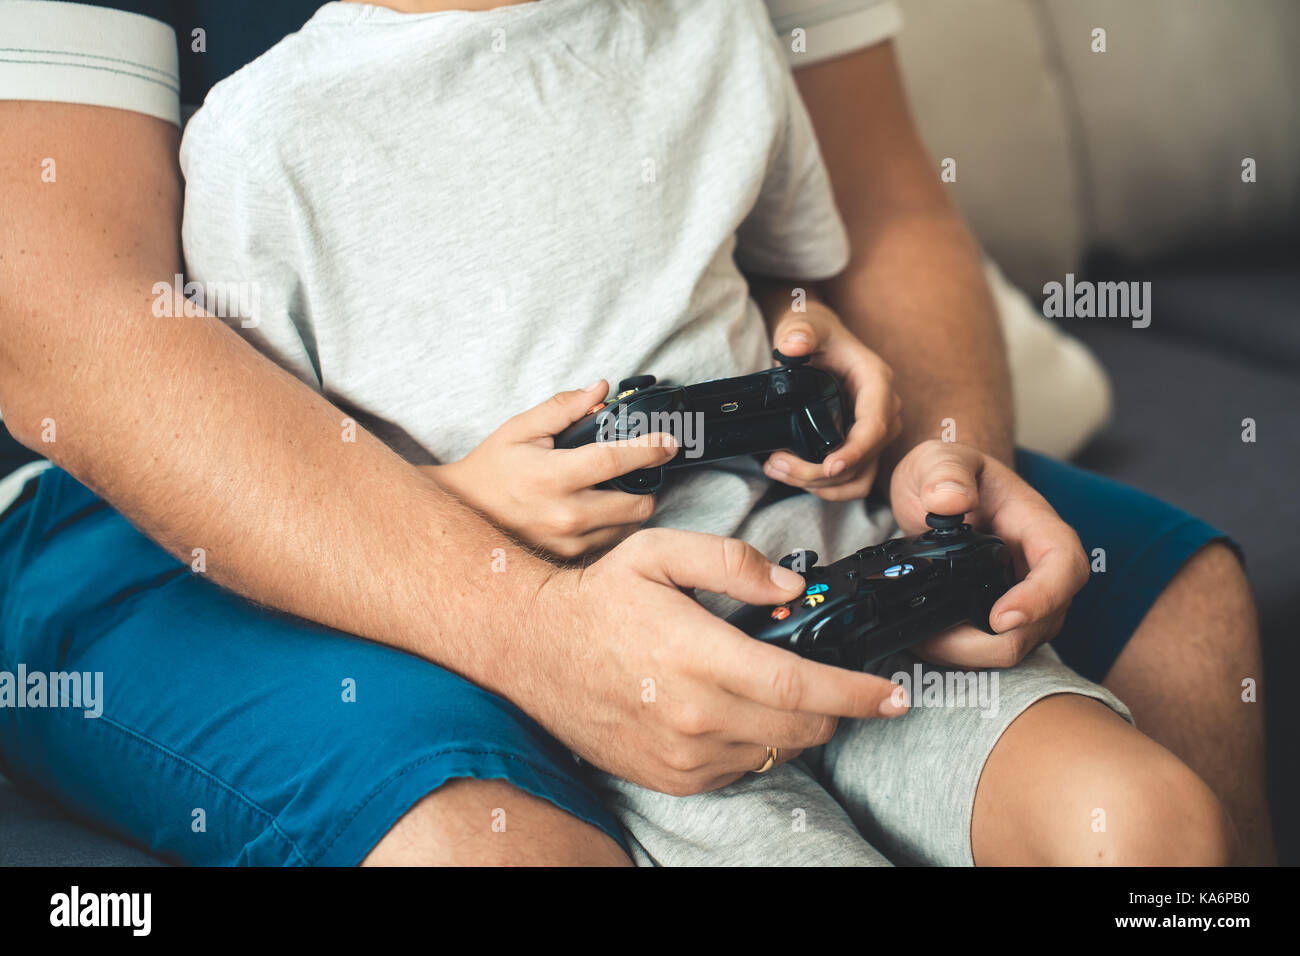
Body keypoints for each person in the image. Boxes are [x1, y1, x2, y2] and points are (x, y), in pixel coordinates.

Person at [0, 0, 1271, 865]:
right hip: (217, 500)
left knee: (1160, 753)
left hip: (786, 525)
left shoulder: (708, 36)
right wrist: (498, 585)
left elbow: (853, 222)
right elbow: (80, 323)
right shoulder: (267, 138)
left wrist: (945, 456)